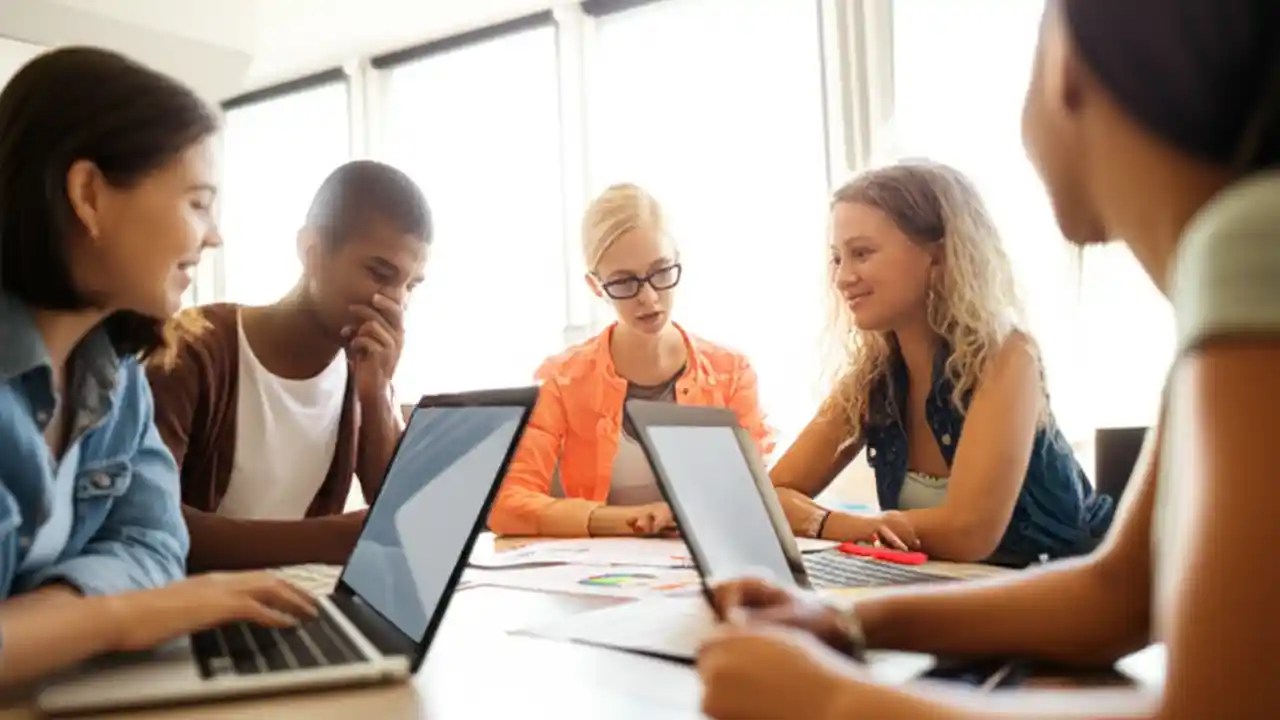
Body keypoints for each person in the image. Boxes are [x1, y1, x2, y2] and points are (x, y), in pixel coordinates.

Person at [698, 0, 1280, 717]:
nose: (843, 273)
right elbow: (1116, 595)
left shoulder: (1255, 243)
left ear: (1067, 68)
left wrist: (829, 703)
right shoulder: (1229, 277)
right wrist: (846, 621)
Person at [0, 47, 313, 690]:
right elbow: (143, 592)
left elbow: (154, 547)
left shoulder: (118, 380)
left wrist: (50, 627)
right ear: (89, 194)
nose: (214, 234)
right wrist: (115, 617)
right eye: (198, 203)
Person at [772, 160, 1111, 565]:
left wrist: (859, 527)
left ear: (939, 255)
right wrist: (849, 527)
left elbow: (970, 533)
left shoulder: (1008, 357)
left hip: (1067, 594)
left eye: (861, 253)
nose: (843, 277)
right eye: (837, 258)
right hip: (959, 589)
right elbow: (770, 494)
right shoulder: (874, 378)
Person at [146, 160, 431, 571]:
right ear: (312, 252)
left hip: (289, 607)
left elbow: (397, 518)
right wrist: (334, 538)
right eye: (380, 273)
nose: (397, 303)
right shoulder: (191, 349)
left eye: (411, 285)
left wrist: (378, 393)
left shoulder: (361, 368)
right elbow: (151, 523)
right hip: (191, 616)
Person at [488, 183, 773, 537]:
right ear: (596, 286)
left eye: (661, 272)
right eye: (624, 282)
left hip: (705, 572)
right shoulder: (560, 379)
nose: (649, 297)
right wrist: (631, 520)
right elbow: (506, 505)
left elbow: (754, 494)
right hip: (596, 576)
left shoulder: (731, 372)